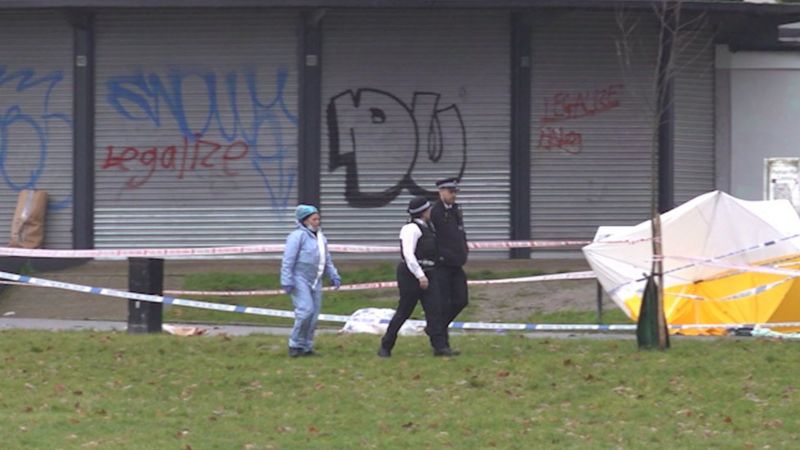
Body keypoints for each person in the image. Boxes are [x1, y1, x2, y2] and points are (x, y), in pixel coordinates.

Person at [378, 196, 456, 357]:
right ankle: (386, 345)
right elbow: (408, 254)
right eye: (428, 209)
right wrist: (420, 275)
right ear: (423, 211)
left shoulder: (428, 227)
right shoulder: (411, 229)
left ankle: (440, 346)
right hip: (410, 274)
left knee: (435, 310)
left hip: (429, 272)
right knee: (404, 310)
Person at [281, 204, 341, 358]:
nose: (317, 222)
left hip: (316, 279)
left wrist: (333, 275)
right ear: (305, 220)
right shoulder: (297, 237)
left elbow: (326, 259)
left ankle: (306, 346)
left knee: (314, 315)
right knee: (305, 311)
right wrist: (287, 280)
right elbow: (288, 260)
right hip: (299, 278)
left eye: (318, 219)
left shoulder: (321, 238)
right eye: (314, 219)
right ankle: (295, 344)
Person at [430, 177, 469, 338]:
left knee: (461, 300)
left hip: (456, 263)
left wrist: (464, 250)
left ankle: (435, 328)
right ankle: (441, 340)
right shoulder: (435, 212)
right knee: (443, 303)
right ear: (441, 192)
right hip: (442, 264)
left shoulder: (455, 210)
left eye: (455, 192)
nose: (454, 195)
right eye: (450, 191)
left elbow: (459, 233)